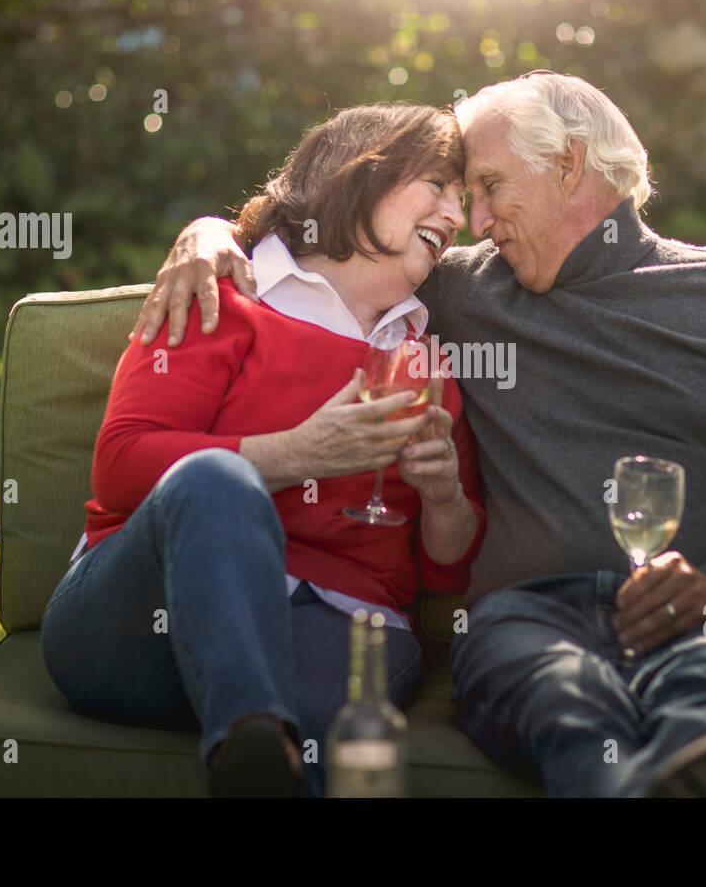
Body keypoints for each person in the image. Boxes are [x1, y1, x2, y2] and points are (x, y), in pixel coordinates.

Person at [131, 72, 706, 797]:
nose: (475, 221)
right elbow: (330, 241)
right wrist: (207, 236)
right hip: (530, 618)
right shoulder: (464, 287)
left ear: (569, 162)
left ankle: (690, 767)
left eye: (488, 186)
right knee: (561, 693)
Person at [39, 103, 485, 798]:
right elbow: (124, 468)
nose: (455, 214)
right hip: (140, 623)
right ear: (358, 174)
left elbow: (444, 573)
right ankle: (252, 725)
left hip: (338, 624)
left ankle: (257, 751)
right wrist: (298, 453)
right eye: (437, 184)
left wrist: (443, 495)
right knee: (215, 476)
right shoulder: (221, 297)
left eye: (463, 198)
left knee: (318, 718)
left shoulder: (426, 361)